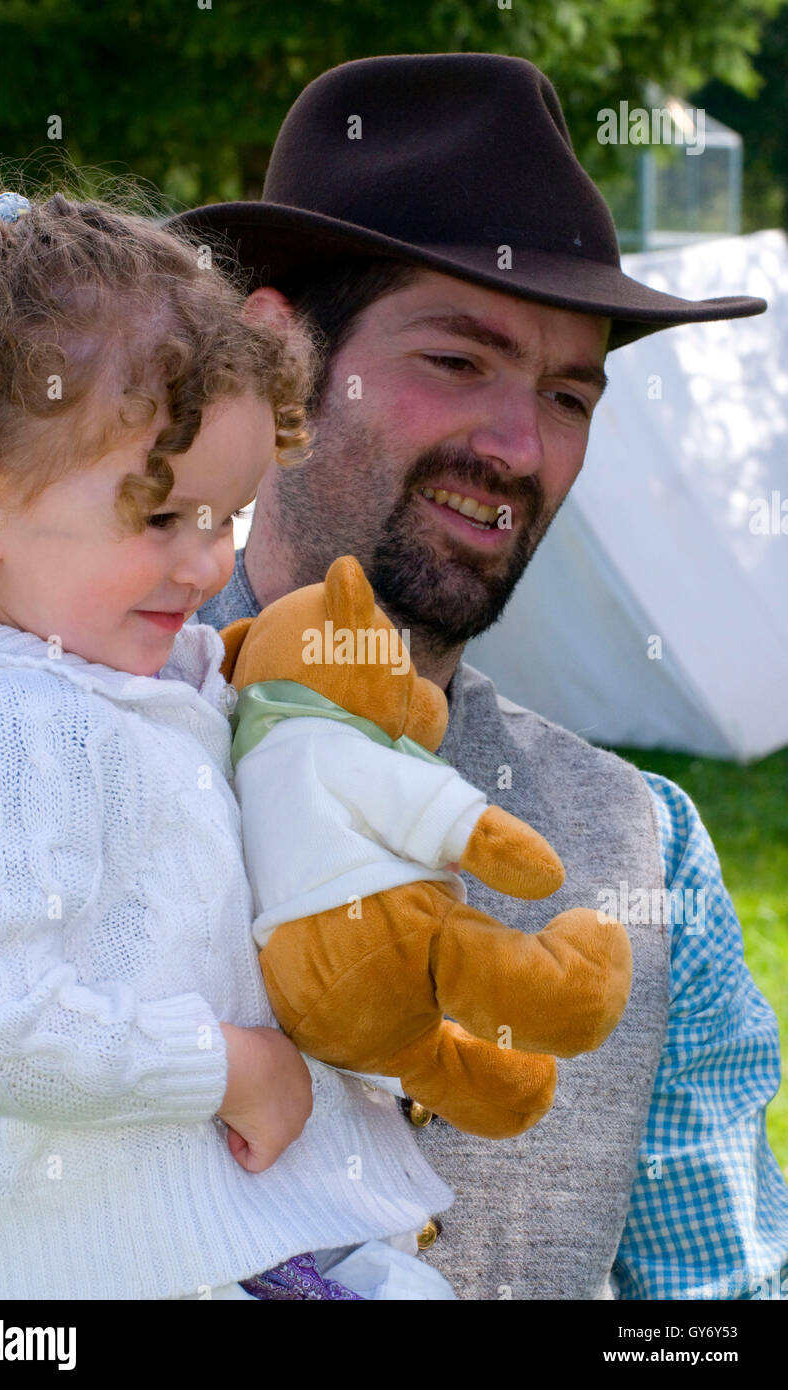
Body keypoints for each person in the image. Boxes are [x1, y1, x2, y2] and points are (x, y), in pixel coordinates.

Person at [169, 52, 788, 1300]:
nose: (519, 447)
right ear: (275, 370)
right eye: (457, 359)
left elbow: (720, 1300)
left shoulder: (642, 853)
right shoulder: (24, 739)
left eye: (568, 393)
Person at [0, 186, 458, 1300]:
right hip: (98, 1252)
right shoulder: (6, 722)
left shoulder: (109, 676)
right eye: (162, 518)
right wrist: (226, 1066)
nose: (209, 566)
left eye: (229, 517)